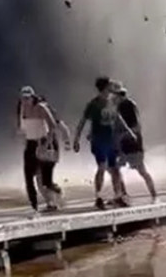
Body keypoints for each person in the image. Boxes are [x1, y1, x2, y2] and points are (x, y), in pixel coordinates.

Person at [73, 76, 133, 209]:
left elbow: (118, 117)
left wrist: (129, 131)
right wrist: (76, 139)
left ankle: (118, 196)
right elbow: (82, 122)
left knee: (115, 169)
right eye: (110, 85)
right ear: (105, 87)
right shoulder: (94, 104)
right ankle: (98, 196)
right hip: (98, 140)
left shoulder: (112, 102)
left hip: (111, 141)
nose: (113, 87)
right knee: (102, 166)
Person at [15, 86, 69, 213]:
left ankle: (56, 196)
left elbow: (54, 126)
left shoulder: (41, 108)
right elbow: (22, 128)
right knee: (31, 177)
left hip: (44, 142)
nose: (25, 101)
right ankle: (41, 204)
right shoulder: (21, 109)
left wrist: (48, 145)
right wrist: (23, 138)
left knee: (44, 180)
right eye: (23, 98)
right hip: (31, 144)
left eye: (28, 98)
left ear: (33, 97)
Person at [110, 81, 157, 202]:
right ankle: (122, 195)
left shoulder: (127, 105)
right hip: (124, 145)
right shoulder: (119, 108)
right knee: (115, 168)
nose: (112, 98)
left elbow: (136, 127)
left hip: (132, 145)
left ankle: (154, 196)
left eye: (114, 95)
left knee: (141, 171)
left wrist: (123, 136)